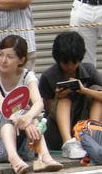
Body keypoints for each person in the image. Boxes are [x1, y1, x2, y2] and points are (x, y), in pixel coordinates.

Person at [0, 35, 62, 174]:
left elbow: (39, 103)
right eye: (1, 54)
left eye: (10, 57)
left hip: (19, 140)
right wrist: (24, 119)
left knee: (32, 116)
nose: (3, 60)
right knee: (9, 112)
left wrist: (28, 118)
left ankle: (44, 158)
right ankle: (14, 159)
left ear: (21, 60)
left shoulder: (27, 75)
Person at [38, 30, 102, 158]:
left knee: (96, 89)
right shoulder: (48, 76)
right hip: (59, 129)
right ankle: (69, 144)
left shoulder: (88, 70)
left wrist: (83, 90)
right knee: (65, 99)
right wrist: (58, 96)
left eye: (74, 62)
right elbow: (48, 110)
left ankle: (92, 135)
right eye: (65, 63)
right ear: (58, 59)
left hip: (83, 118)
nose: (70, 66)